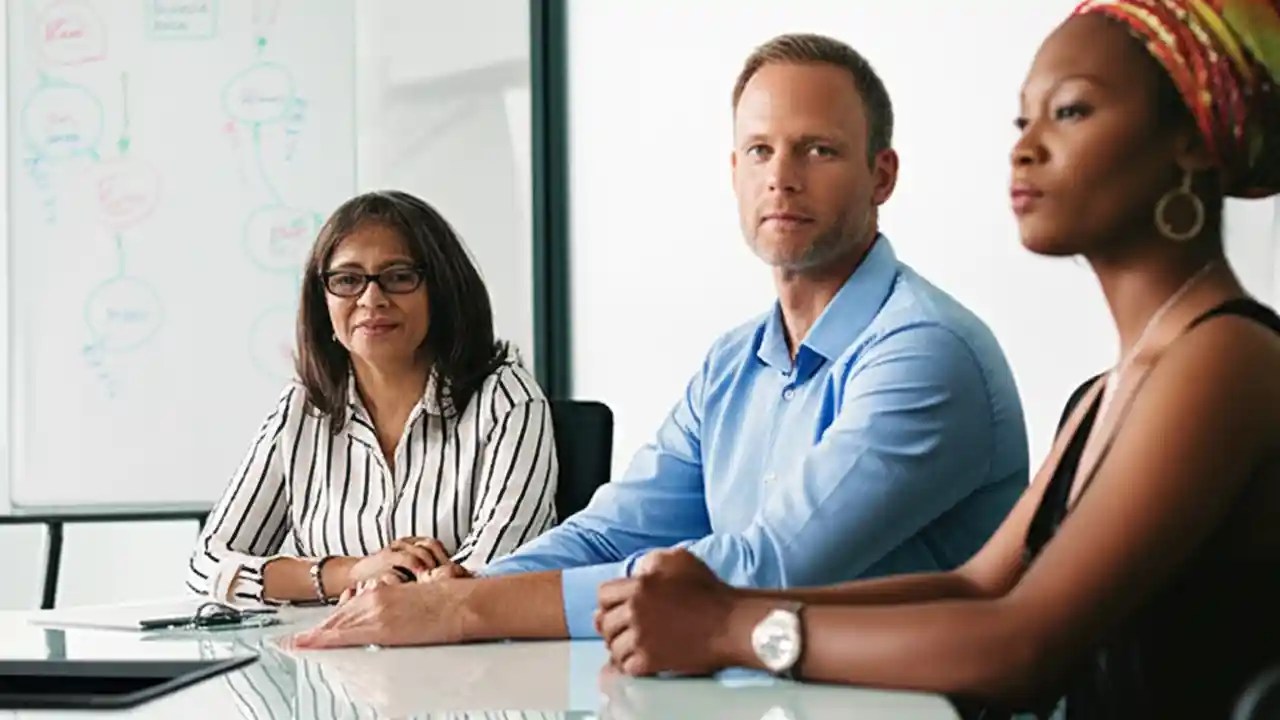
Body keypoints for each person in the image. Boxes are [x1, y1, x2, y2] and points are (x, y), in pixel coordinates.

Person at [593, 2, 1280, 718]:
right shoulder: (1112, 389)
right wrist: (729, 604)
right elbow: (979, 585)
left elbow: (1023, 644)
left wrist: (734, 629)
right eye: (1022, 123)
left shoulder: (1224, 360)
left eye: (1071, 111)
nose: (1026, 149)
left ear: (1192, 141)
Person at [286, 33, 1028, 649]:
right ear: (734, 173)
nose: (783, 179)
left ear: (882, 175)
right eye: (761, 152)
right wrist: (475, 584)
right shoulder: (733, 362)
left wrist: (465, 611)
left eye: (819, 151)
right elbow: (616, 528)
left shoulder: (926, 352)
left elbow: (768, 564)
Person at [187, 190, 557, 605]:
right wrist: (353, 572)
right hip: (327, 662)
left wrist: (384, 593)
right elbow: (208, 566)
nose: (371, 299)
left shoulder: (507, 400)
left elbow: (495, 569)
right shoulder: (301, 409)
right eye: (347, 280)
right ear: (321, 301)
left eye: (399, 276)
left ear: (443, 292)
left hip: (467, 661)